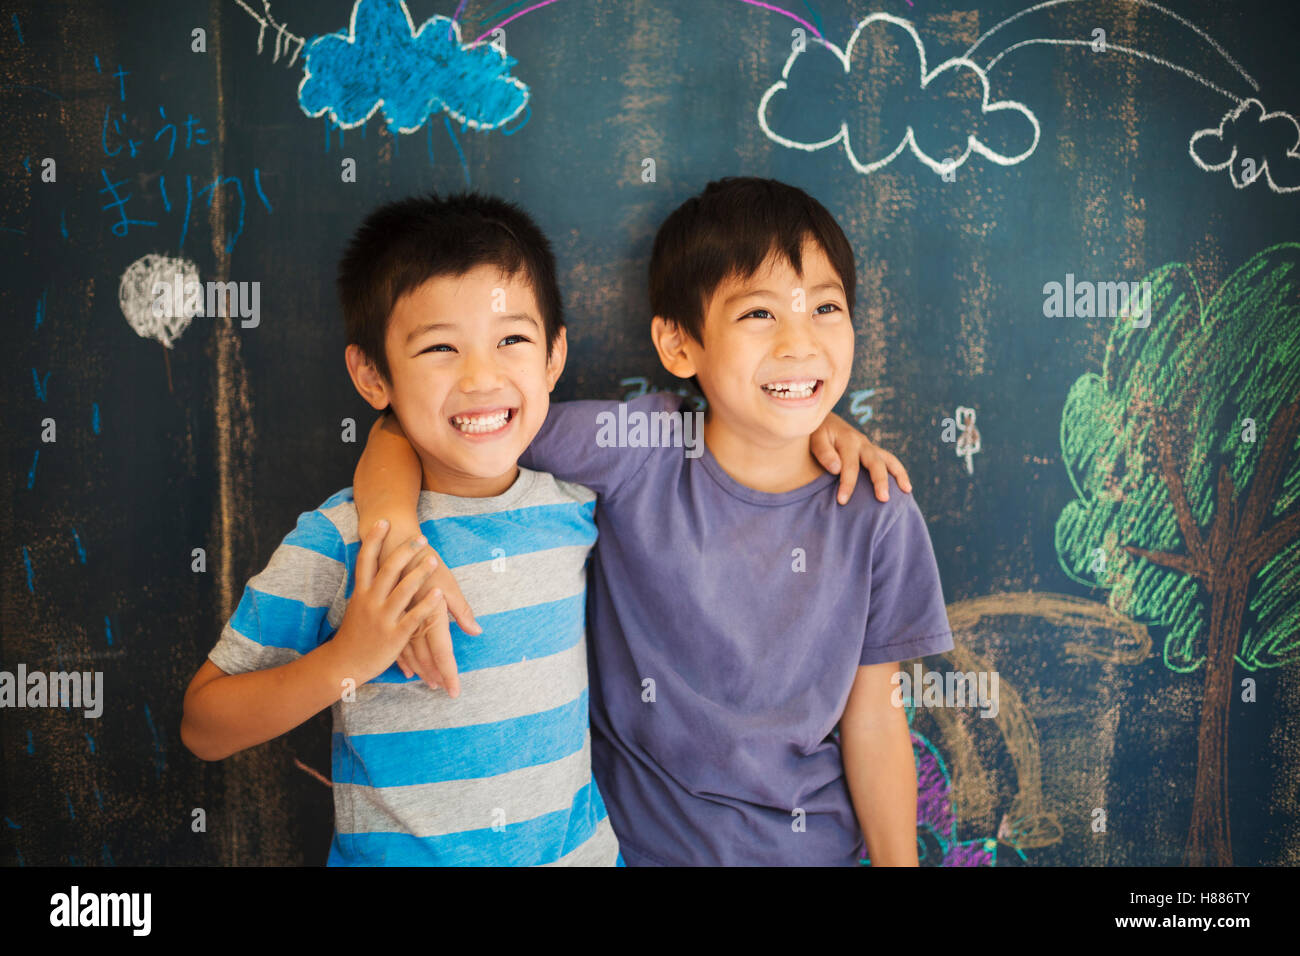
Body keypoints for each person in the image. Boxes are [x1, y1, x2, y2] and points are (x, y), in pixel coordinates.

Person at [354, 177, 952, 865]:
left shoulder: (878, 509)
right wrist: (394, 527)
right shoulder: (640, 447)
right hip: (631, 853)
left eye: (825, 307)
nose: (799, 343)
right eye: (759, 315)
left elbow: (874, 718)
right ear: (678, 346)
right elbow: (416, 427)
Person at [181, 191, 621, 865]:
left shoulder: (580, 510)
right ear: (371, 375)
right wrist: (349, 660)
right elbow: (204, 726)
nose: (481, 377)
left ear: (554, 355)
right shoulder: (342, 539)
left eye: (512, 340)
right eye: (441, 348)